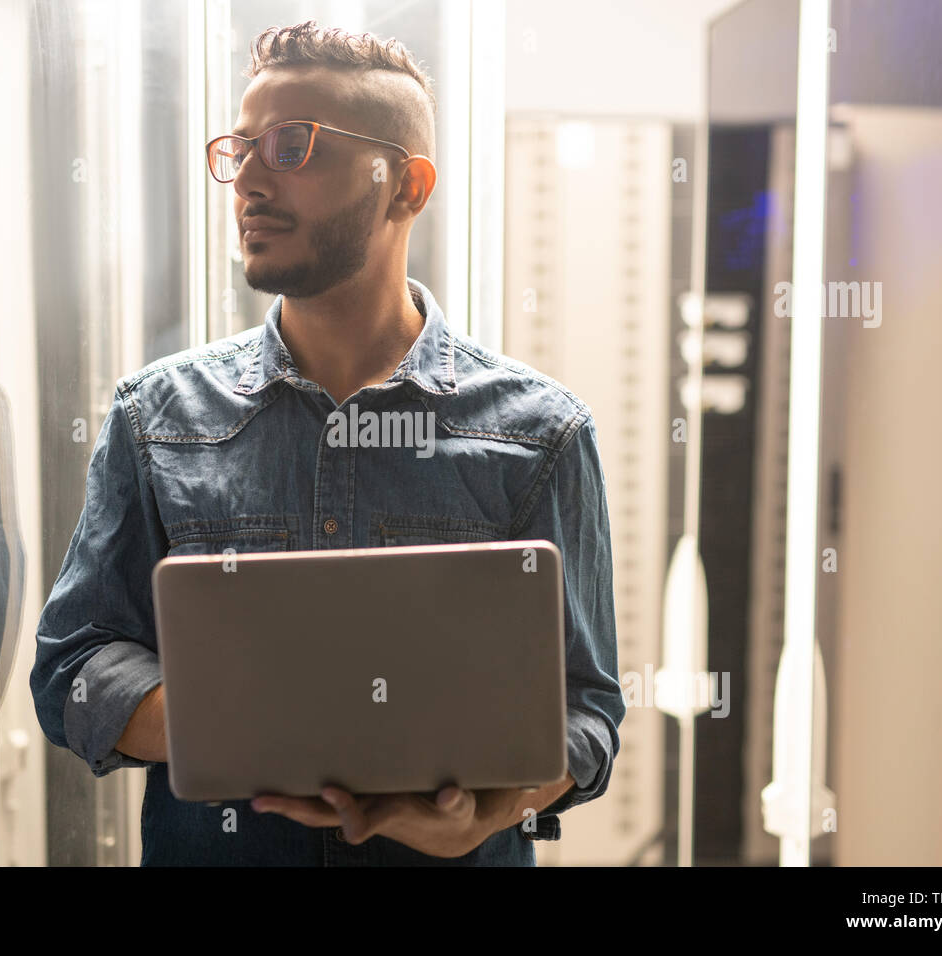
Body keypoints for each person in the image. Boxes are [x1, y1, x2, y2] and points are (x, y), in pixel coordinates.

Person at [30, 18, 624, 866]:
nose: (249, 183)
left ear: (405, 186)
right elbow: (72, 672)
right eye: (240, 151)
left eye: (293, 147)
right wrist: (256, 730)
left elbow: (588, 711)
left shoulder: (541, 434)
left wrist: (490, 812)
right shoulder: (155, 417)